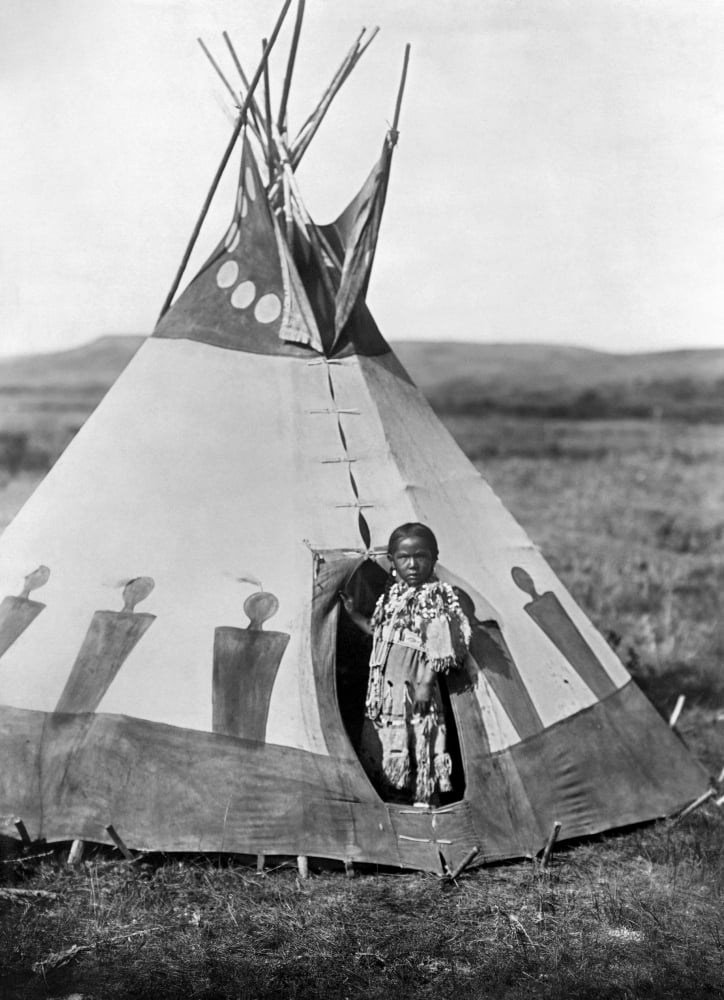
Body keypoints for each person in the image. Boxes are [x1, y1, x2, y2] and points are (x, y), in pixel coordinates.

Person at [340, 523, 471, 806]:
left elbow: (438, 647)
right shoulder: (392, 597)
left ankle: (423, 799)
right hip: (388, 692)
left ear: (434, 558)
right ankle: (393, 796)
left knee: (418, 741)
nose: (413, 565)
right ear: (392, 560)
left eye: (421, 556)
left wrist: (426, 685)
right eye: (404, 558)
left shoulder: (435, 597)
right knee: (389, 742)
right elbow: (379, 631)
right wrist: (353, 614)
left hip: (414, 689)